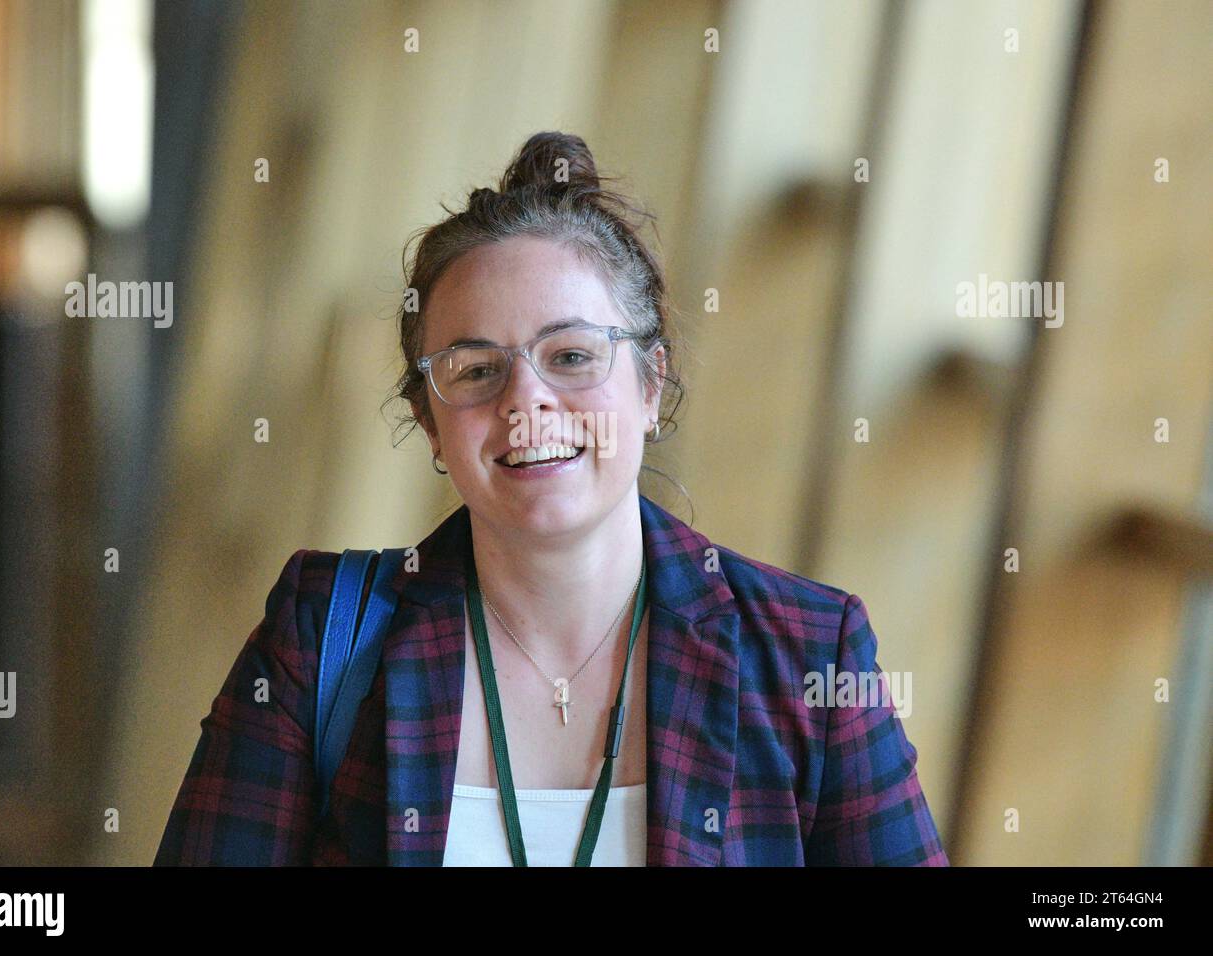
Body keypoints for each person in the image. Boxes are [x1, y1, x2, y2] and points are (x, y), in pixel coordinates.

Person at [153, 131, 949, 866]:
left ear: (650, 384)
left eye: (570, 355)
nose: (527, 403)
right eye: (475, 369)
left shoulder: (808, 653)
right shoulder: (323, 634)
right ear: (431, 424)